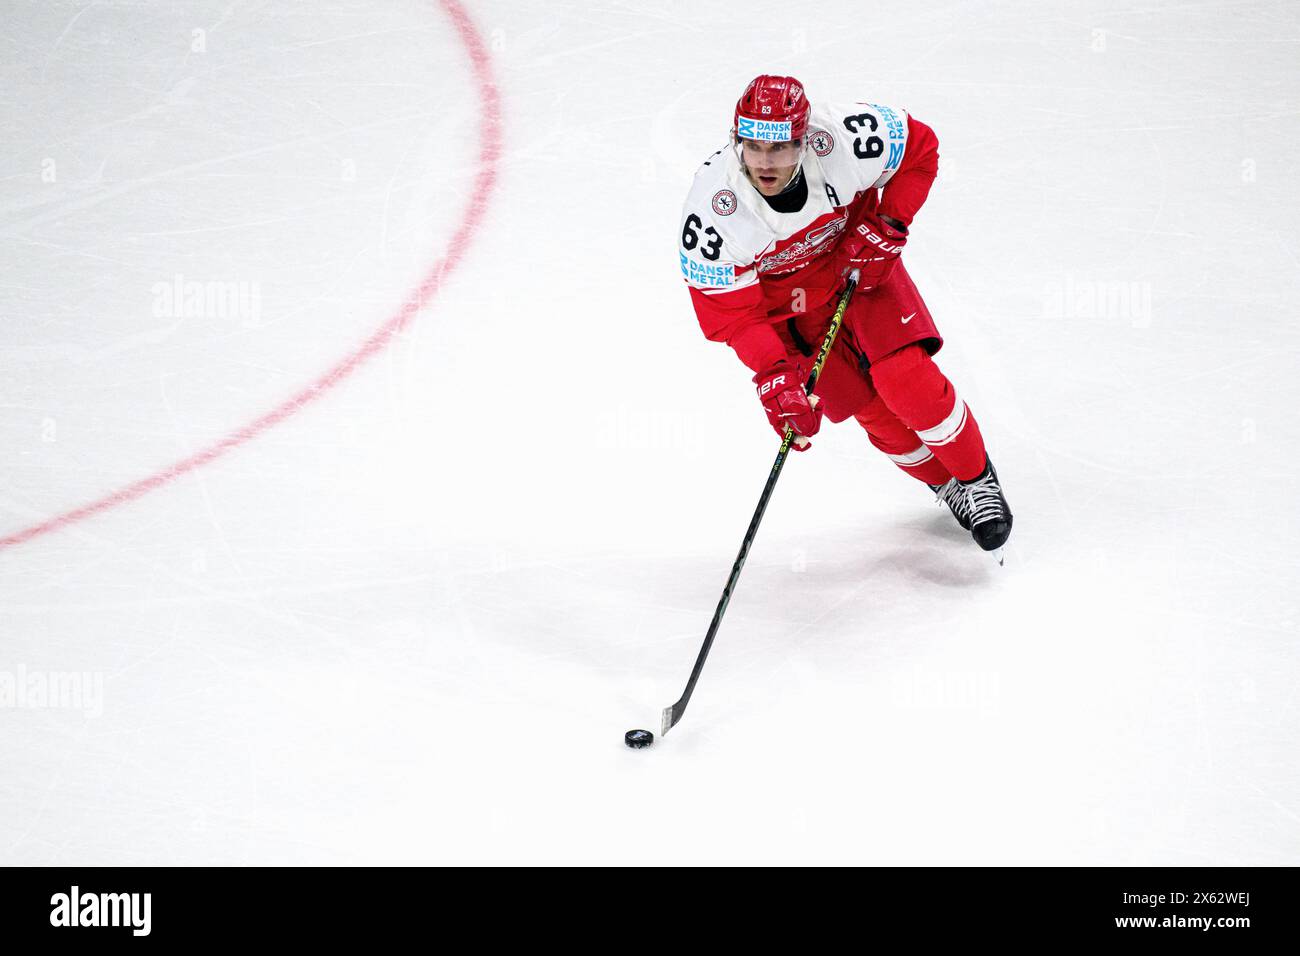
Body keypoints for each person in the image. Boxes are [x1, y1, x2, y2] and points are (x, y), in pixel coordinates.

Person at [677, 74, 1013, 556]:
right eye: (752, 147)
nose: (765, 163)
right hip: (789, 307)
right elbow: (731, 313)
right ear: (736, 141)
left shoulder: (844, 138)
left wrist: (889, 224)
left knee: (905, 380)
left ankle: (976, 478)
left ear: (805, 137)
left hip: (860, 269)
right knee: (868, 408)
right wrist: (774, 376)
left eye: (781, 148)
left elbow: (920, 147)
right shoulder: (713, 211)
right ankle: (945, 484)